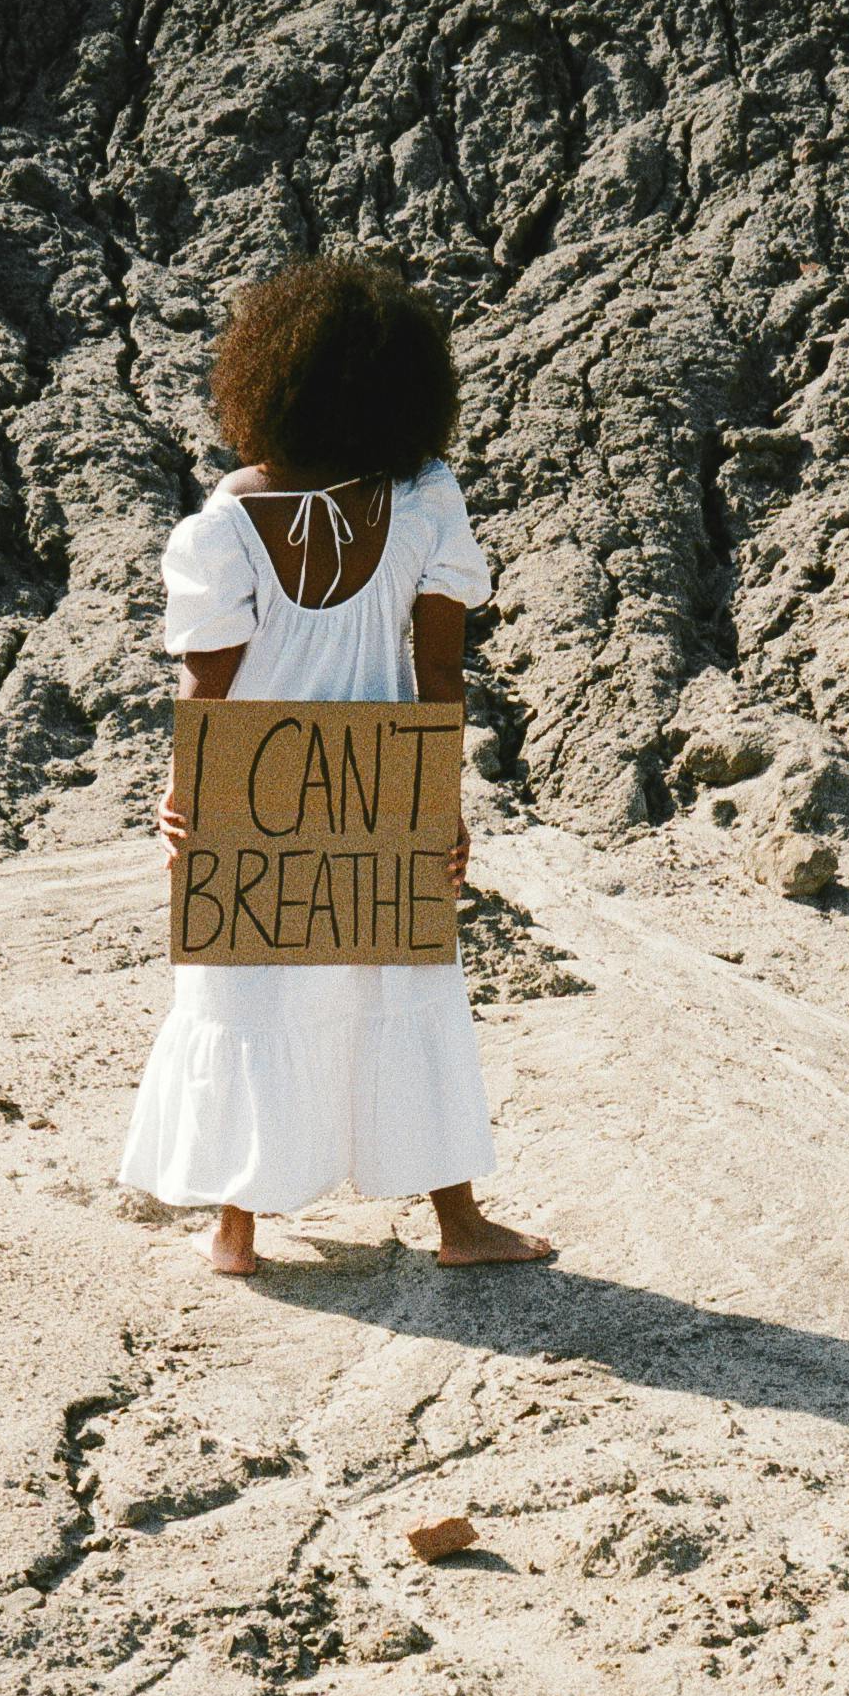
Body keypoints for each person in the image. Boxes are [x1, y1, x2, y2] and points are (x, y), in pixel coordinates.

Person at [119, 256, 555, 1278]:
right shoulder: (425, 498)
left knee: (245, 995)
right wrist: (438, 808)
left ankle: (234, 1231)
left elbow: (206, 682)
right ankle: (458, 1223)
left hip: (253, 776)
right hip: (380, 773)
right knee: (402, 989)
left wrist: (185, 800)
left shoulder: (225, 522)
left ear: (267, 379)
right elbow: (439, 667)